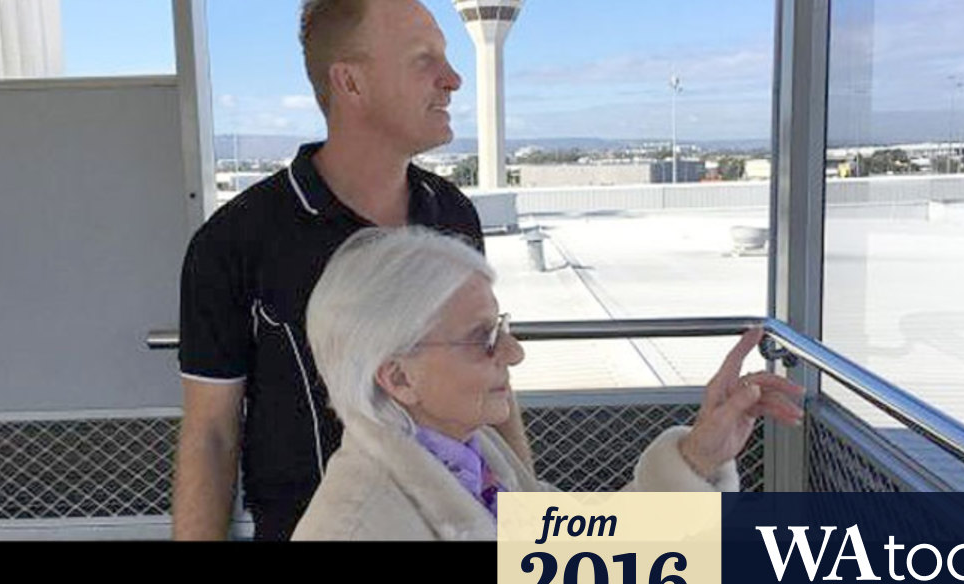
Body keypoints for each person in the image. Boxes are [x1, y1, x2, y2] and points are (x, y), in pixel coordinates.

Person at [172, 0, 532, 541]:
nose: (453, 79)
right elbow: (211, 436)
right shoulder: (236, 242)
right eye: (423, 60)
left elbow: (490, 391)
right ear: (351, 83)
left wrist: (530, 526)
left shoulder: (453, 215)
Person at [292, 228, 806, 541]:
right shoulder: (357, 528)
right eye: (483, 338)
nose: (513, 353)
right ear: (399, 377)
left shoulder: (473, 461)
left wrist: (698, 456)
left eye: (504, 327)